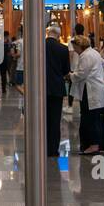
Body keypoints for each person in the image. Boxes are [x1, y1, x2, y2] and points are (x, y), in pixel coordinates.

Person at [69, 35, 104, 155]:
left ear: (79, 45)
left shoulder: (85, 55)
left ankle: (93, 145)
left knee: (90, 117)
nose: (74, 49)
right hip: (98, 88)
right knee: (94, 117)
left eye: (75, 46)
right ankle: (95, 144)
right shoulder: (94, 52)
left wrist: (70, 75)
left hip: (91, 90)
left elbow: (81, 74)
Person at [44, 25, 71, 157]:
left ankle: (41, 146)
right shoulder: (63, 49)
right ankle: (52, 149)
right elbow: (66, 70)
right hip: (57, 88)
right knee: (55, 120)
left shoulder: (39, 46)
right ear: (59, 35)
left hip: (41, 88)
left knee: (42, 118)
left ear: (47, 33)